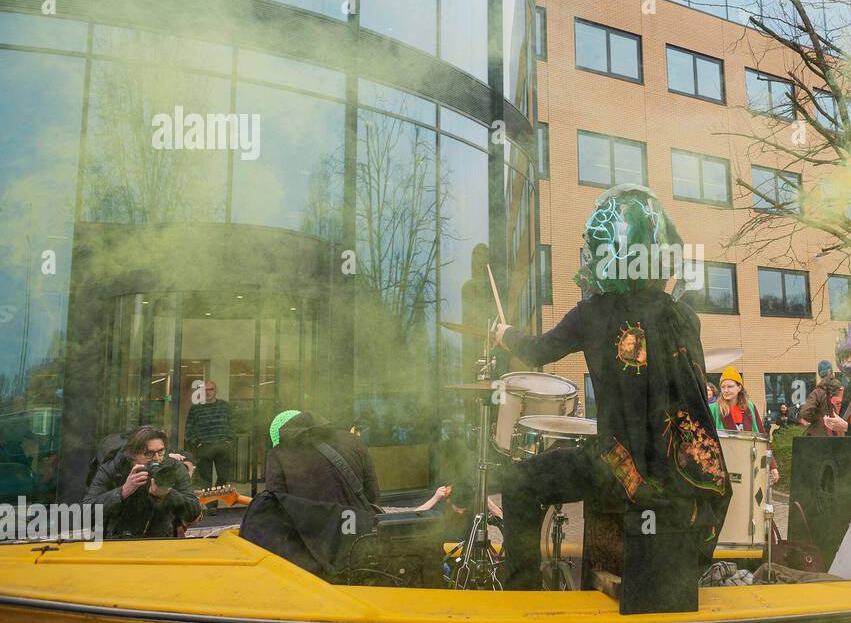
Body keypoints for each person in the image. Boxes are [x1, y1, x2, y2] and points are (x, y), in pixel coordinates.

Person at [491, 185, 730, 591]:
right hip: (680, 482)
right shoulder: (685, 318)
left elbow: (537, 351)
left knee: (519, 483)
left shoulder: (591, 314)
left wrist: (504, 334)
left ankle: (522, 596)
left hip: (615, 471)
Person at [264, 410, 450, 514]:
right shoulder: (353, 440)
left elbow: (274, 505)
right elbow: (372, 495)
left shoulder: (279, 454)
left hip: (310, 542)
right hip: (355, 534)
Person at [82, 426, 201, 538]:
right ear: (132, 454)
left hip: (161, 542)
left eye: (161, 452)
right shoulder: (114, 468)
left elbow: (193, 512)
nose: (157, 459)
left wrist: (168, 494)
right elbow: (85, 514)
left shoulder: (173, 467)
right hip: (118, 541)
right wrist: (122, 492)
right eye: (149, 453)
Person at [710, 367, 780, 483]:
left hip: (748, 463)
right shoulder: (713, 409)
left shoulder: (750, 407)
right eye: (723, 387)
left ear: (739, 387)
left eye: (730, 386)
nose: (726, 390)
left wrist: (772, 465)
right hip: (723, 465)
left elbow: (762, 436)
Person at [185, 380, 235, 486]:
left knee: (224, 476)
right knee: (205, 479)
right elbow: (189, 429)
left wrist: (228, 440)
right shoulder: (196, 408)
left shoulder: (225, 406)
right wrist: (197, 443)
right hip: (204, 447)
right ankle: (211, 502)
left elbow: (233, 424)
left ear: (215, 391)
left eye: (211, 389)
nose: (208, 392)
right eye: (205, 390)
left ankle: (214, 496)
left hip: (222, 445)